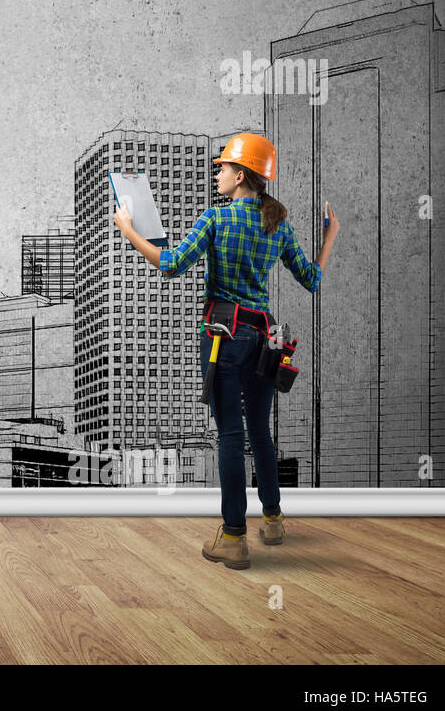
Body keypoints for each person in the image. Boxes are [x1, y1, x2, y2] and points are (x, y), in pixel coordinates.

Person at [112, 133, 339, 570]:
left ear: (240, 175)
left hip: (223, 335)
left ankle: (234, 537)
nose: (217, 174)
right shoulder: (279, 226)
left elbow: (172, 263)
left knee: (231, 435)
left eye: (222, 168)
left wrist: (128, 230)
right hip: (266, 341)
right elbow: (312, 279)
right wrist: (331, 237)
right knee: (261, 433)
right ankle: (272, 521)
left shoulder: (216, 219)